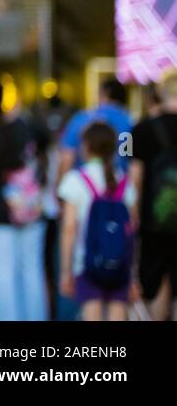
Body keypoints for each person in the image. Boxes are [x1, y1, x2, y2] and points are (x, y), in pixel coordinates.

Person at [0, 81, 50, 321]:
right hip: (31, 206)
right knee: (32, 270)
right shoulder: (25, 127)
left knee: (3, 274)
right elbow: (45, 137)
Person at [57, 121, 137, 320]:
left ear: (86, 146)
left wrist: (66, 270)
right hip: (120, 265)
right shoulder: (124, 182)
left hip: (86, 264)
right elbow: (132, 229)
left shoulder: (75, 180)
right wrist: (134, 273)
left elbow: (69, 229)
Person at [131, 68, 177, 320]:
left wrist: (134, 212)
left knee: (157, 283)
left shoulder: (142, 129)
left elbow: (134, 176)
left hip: (153, 220)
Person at [57, 78, 132, 183]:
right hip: (119, 187)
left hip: (83, 187)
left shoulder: (82, 118)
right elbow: (134, 164)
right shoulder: (130, 123)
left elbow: (67, 157)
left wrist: (61, 187)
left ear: (104, 94)